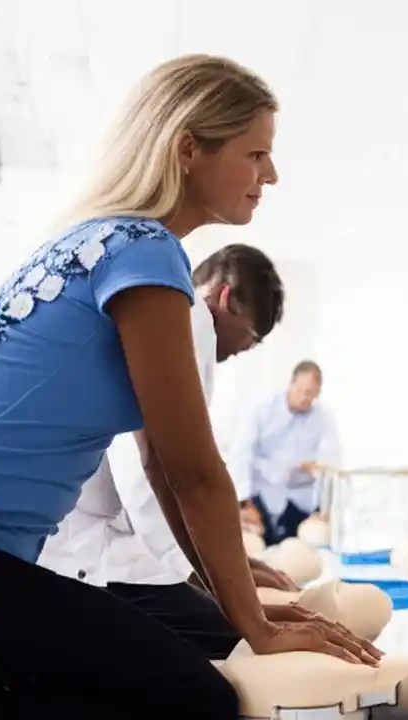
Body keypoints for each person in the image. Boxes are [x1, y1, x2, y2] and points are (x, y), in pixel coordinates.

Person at [0, 54, 378, 719]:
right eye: (256, 155)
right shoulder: (144, 253)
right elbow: (192, 471)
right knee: (195, 697)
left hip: (9, 565)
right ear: (189, 149)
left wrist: (237, 601)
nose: (271, 175)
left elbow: (161, 466)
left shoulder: (90, 241)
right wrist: (257, 627)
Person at [37, 244, 296, 660]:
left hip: (99, 540)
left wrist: (229, 566)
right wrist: (210, 576)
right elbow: (151, 472)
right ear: (225, 297)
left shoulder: (170, 319)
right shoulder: (184, 318)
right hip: (87, 550)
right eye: (248, 338)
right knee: (222, 664)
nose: (242, 352)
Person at [231, 360, 340, 546]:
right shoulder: (261, 410)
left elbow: (331, 465)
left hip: (298, 501)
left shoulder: (323, 419)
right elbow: (240, 455)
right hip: (260, 495)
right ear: (291, 383)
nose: (305, 398)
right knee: (251, 543)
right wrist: (243, 503)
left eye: (311, 394)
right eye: (301, 391)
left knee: (306, 544)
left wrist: (324, 508)